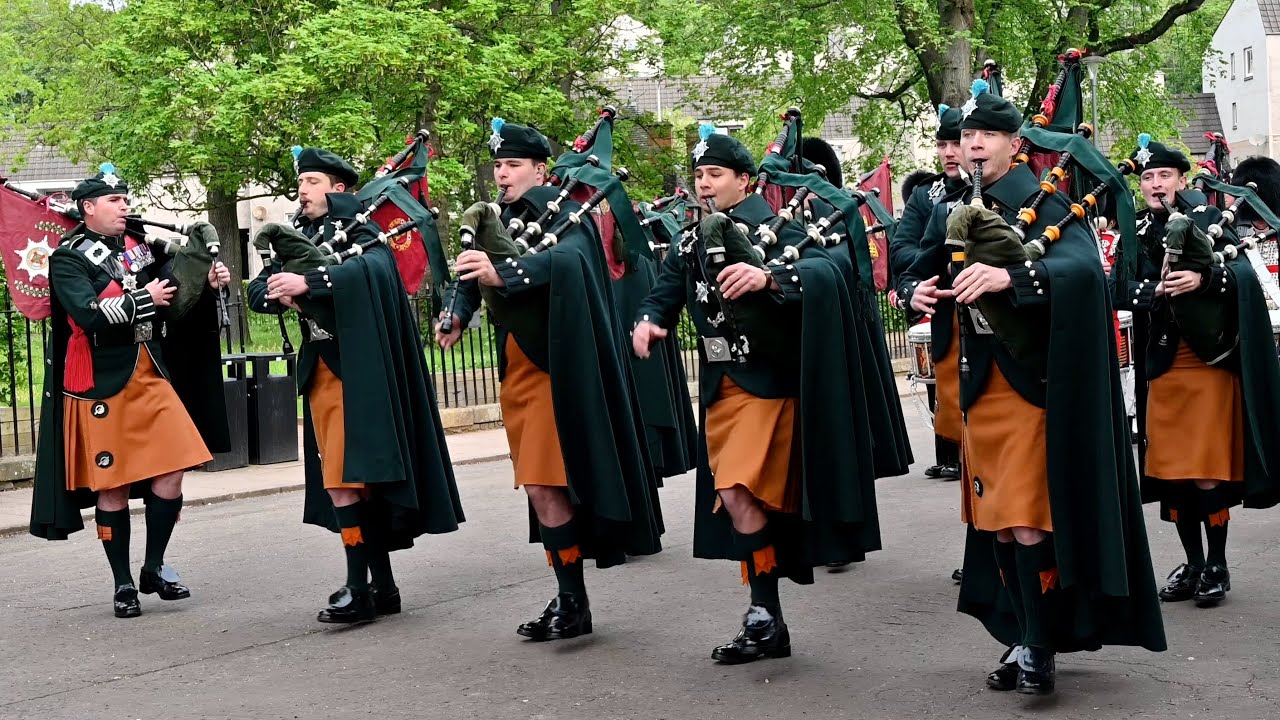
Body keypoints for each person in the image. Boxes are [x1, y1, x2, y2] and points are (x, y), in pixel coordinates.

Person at [903, 85, 1165, 694]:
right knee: (997, 521)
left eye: (986, 135)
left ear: (1015, 145)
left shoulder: (1045, 203)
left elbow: (1081, 271)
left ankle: (1040, 647)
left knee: (1026, 520)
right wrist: (917, 296)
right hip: (979, 386)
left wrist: (1016, 274)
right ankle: (1025, 633)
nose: (972, 144)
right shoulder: (958, 207)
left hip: (1030, 384)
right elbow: (936, 275)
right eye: (967, 136)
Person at [633, 125, 880, 664]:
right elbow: (667, 289)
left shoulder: (780, 229)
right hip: (723, 387)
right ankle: (766, 615)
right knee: (739, 496)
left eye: (715, 174)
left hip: (770, 384)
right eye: (698, 175)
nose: (703, 185)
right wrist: (651, 320)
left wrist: (771, 279)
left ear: (745, 181)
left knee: (741, 489)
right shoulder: (692, 238)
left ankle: (763, 613)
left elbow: (828, 269)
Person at [435, 119, 661, 641]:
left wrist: (506, 274)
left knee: (545, 481)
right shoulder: (499, 218)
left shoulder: (562, 213)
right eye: (497, 165)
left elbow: (571, 260)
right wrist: (456, 312)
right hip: (518, 365)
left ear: (540, 168)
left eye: (513, 164)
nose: (502, 174)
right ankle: (570, 599)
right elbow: (473, 272)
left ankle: (571, 598)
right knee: (542, 485)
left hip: (560, 367)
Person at [249, 147, 464, 624]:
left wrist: (313, 283)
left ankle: (357, 588)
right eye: (301, 181)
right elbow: (257, 289)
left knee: (351, 483)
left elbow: (377, 271)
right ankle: (379, 586)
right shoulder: (295, 236)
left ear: (339, 189)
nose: (302, 190)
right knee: (349, 484)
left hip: (362, 372)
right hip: (322, 371)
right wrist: (275, 290)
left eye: (311, 181)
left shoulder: (362, 230)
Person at [30, 163, 231, 618]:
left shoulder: (138, 246)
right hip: (103, 380)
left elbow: (174, 294)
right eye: (115, 201)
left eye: (125, 199)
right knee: (114, 485)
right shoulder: (68, 257)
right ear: (89, 208)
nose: (125, 207)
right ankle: (123, 584)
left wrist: (204, 283)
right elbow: (86, 314)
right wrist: (145, 300)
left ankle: (154, 567)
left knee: (176, 467)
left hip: (152, 372)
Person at [1120, 141, 1280, 607]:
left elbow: (1246, 276)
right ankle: (1191, 563)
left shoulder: (1211, 222)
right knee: (1174, 475)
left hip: (1208, 364)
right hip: (1163, 366)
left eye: (1164, 176)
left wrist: (1204, 279)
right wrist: (1156, 290)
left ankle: (1217, 564)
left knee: (1208, 474)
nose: (1155, 185)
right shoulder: (1134, 232)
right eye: (1147, 178)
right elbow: (1115, 288)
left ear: (1182, 181)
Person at [892, 105, 968, 481]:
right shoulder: (928, 196)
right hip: (946, 301)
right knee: (947, 379)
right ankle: (952, 452)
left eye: (957, 142)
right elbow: (902, 248)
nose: (950, 152)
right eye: (943, 144)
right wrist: (931, 263)